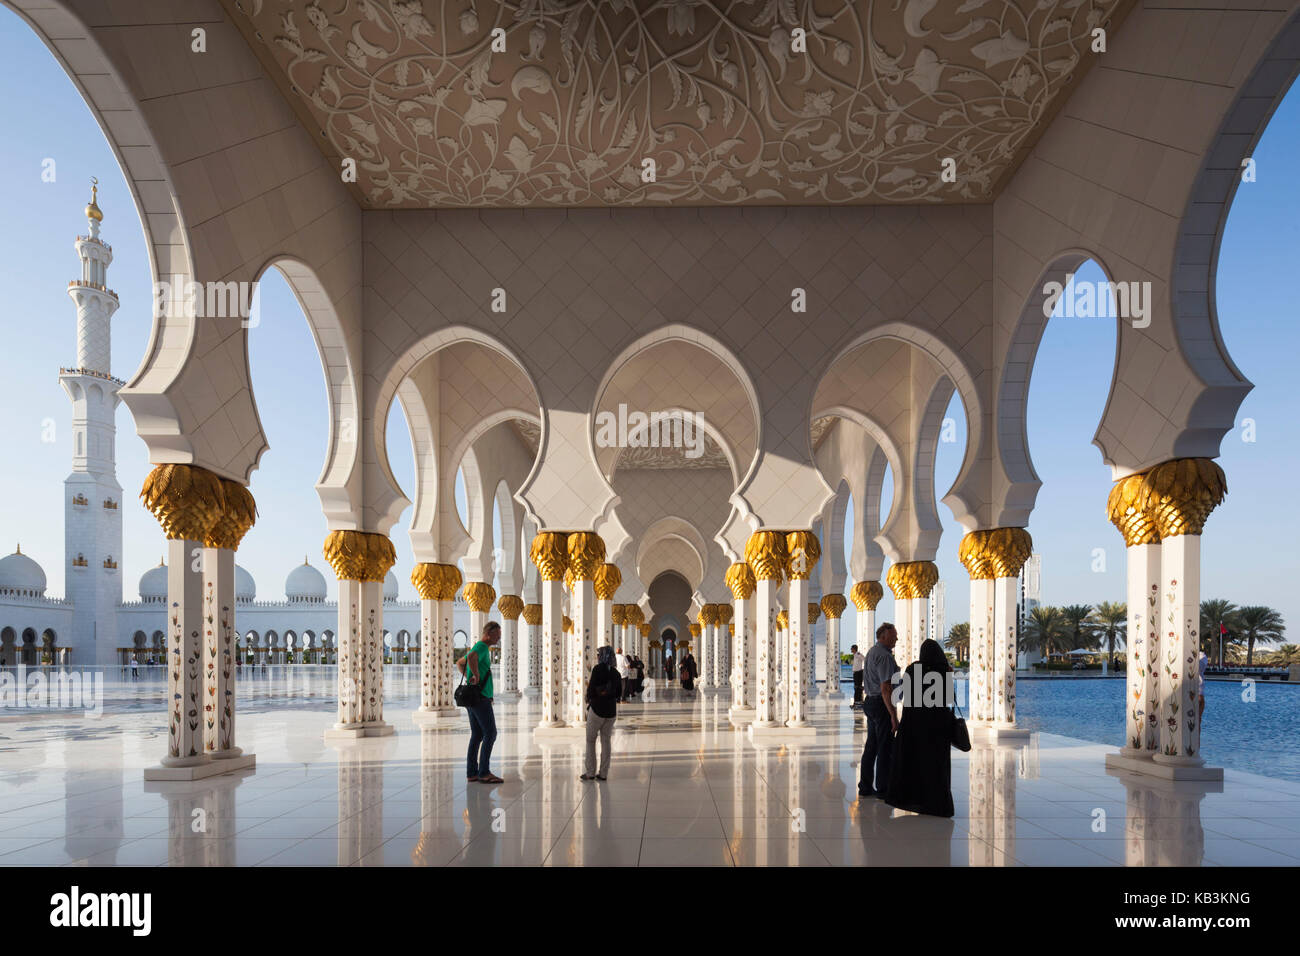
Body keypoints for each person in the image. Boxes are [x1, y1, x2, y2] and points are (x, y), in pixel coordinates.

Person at [884, 638, 956, 817]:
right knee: (935, 766)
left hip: (914, 726)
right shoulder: (942, 671)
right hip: (937, 728)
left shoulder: (912, 669)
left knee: (915, 764)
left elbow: (903, 695)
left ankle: (914, 801)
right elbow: (948, 699)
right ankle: (937, 804)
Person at [857, 623, 900, 799]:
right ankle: (883, 789)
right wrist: (893, 715)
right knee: (885, 747)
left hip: (871, 703)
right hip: (881, 705)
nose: (896, 639)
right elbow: (886, 688)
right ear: (883, 636)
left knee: (872, 746)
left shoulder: (872, 652)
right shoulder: (884, 657)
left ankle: (865, 786)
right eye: (893, 636)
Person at [458, 621, 503, 784]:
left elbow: (460, 662)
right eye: (497, 635)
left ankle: (472, 773)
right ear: (488, 633)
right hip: (480, 698)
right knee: (490, 734)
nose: (498, 638)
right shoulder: (482, 647)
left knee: (477, 735)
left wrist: (471, 679)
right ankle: (484, 772)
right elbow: (470, 658)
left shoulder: (478, 646)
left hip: (473, 697)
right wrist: (475, 676)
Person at [581, 644, 622, 780]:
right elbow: (619, 694)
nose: (597, 657)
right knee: (606, 741)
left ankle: (590, 772)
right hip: (611, 712)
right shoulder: (616, 673)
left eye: (599, 654)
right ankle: (603, 773)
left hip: (597, 710)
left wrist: (591, 699)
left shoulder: (598, 669)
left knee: (590, 740)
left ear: (603, 656)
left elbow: (591, 689)